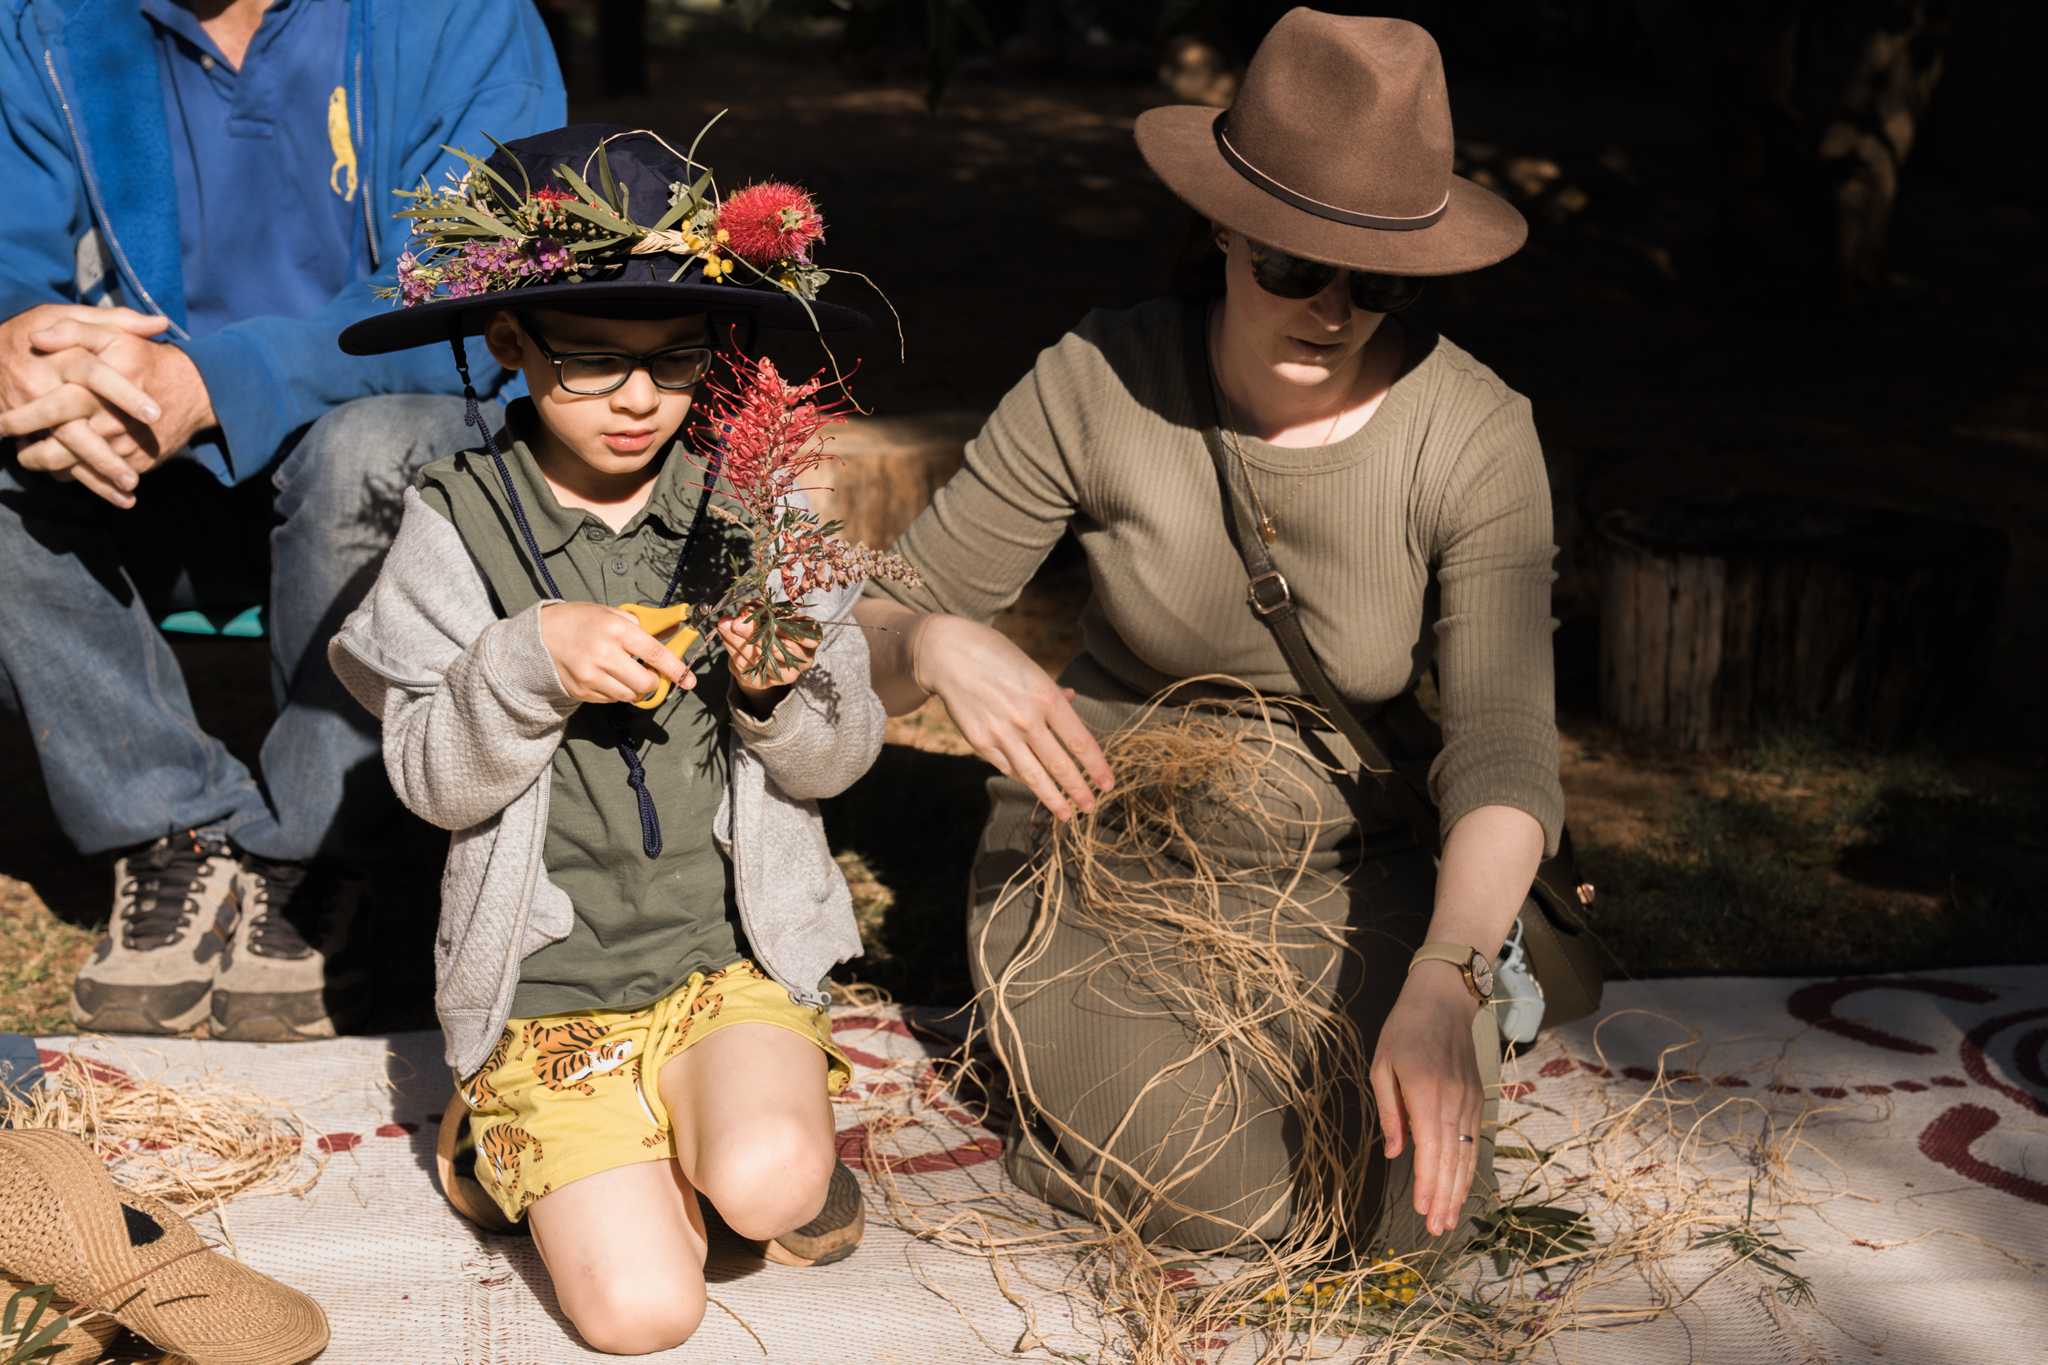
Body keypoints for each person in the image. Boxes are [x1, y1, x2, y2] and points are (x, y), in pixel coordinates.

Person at [855, 10, 1562, 1256]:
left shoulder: (1473, 430)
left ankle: (1089, 1111)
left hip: (1345, 855)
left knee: (1402, 1217)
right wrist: (931, 645)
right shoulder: (1098, 378)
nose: (1334, 311)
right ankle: (1073, 1112)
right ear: (1224, 227)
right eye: (1293, 265)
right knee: (1237, 1204)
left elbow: (1504, 747)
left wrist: (1449, 976)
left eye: (1379, 281)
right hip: (1102, 846)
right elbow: (867, 635)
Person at [328, 126, 881, 1354]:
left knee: (775, 1182)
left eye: (674, 362)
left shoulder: (752, 504)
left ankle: (717, 1155)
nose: (638, 400)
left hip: (721, 964)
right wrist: (526, 660)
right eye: (593, 362)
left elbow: (839, 761)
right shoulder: (453, 525)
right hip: (549, 991)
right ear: (510, 343)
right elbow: (427, 780)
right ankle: (522, 1139)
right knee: (641, 1315)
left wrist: (774, 694)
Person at [0, 0, 563, 1041]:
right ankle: (173, 831)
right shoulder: (45, 22)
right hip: (150, 467)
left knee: (369, 445)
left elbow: (473, 290)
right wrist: (18, 345)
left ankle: (313, 859)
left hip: (383, 455)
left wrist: (211, 382)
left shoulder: (462, 18)